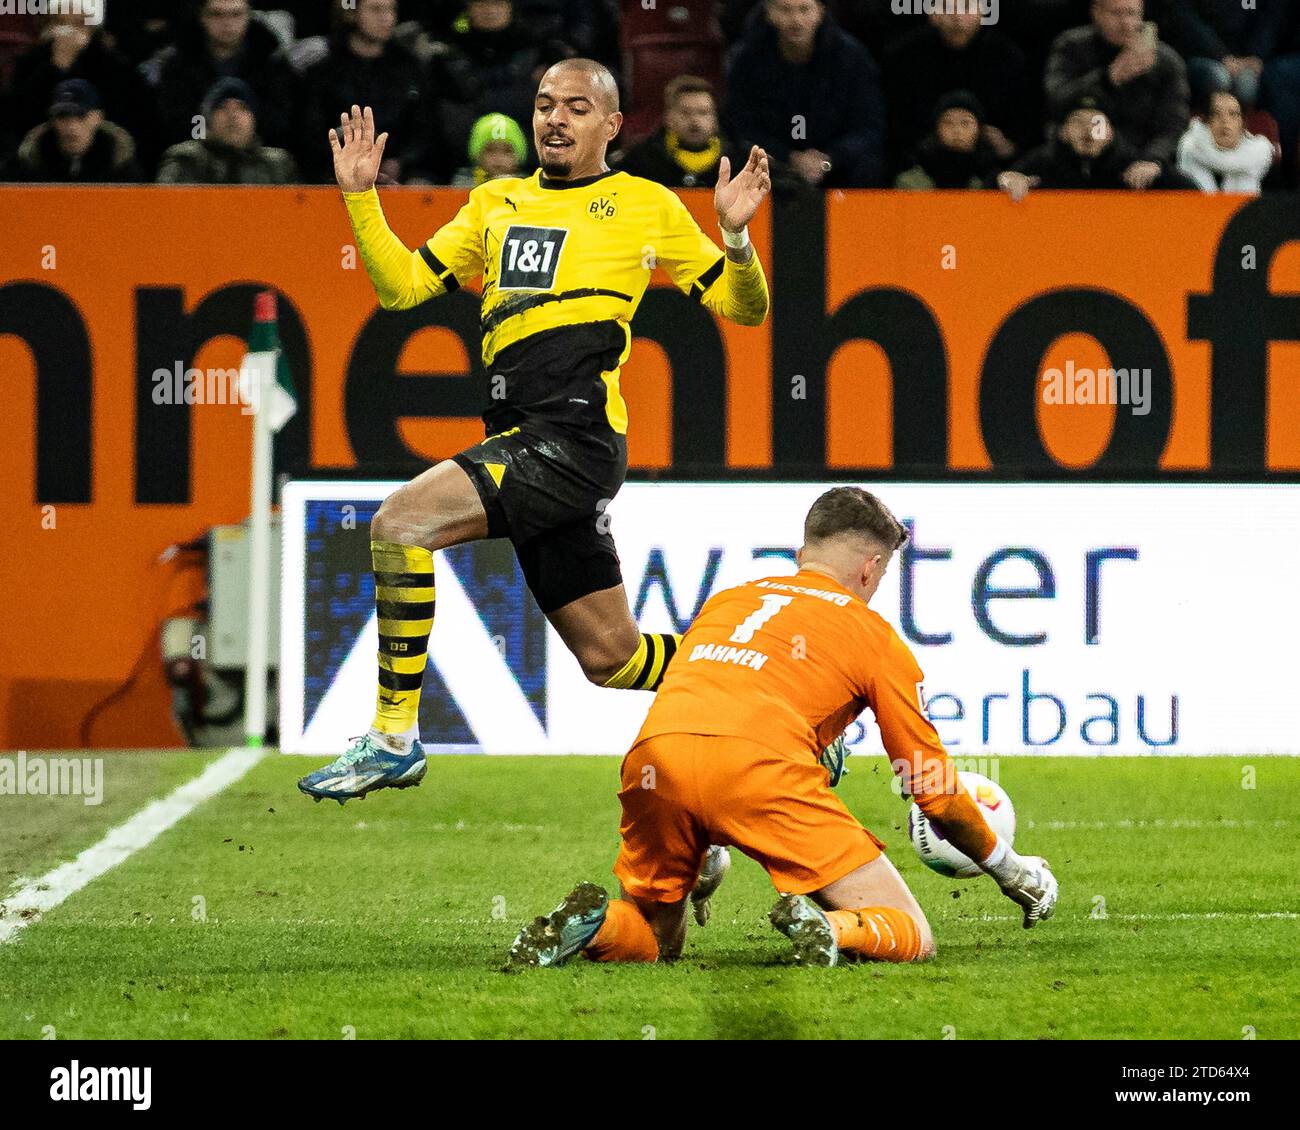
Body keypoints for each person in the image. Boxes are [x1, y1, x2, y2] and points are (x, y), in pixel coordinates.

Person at [297, 60, 771, 804]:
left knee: (400, 523)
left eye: (577, 108)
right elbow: (402, 288)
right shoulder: (495, 202)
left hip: (573, 438)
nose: (555, 119)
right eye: (546, 104)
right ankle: (782, 694)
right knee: (613, 657)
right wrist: (361, 199)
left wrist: (736, 240)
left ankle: (394, 738)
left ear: (612, 125)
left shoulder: (645, 206)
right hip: (525, 440)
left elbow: (746, 310)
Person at [508, 487, 1059, 968]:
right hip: (759, 768)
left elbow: (714, 721)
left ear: (803, 555)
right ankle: (831, 927)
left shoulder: (728, 602)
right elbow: (932, 789)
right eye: (881, 574)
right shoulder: (874, 637)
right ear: (870, 568)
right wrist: (1014, 873)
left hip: (654, 759)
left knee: (654, 938)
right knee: (909, 931)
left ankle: (597, 926)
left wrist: (701, 849)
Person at [723, 0, 885, 188]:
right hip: (772, 161)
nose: (796, 20)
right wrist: (789, 157)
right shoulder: (747, 58)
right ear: (769, 12)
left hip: (837, 162)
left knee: (868, 166)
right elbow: (740, 124)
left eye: (804, 9)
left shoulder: (851, 57)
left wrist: (829, 158)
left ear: (820, 11)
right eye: (785, 10)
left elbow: (868, 124)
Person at [299, 0, 439, 185]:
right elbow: (310, 133)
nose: (387, 18)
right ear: (351, 14)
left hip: (400, 176)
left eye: (391, 10)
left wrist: (401, 162)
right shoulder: (323, 72)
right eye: (376, 9)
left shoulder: (411, 70)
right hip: (334, 173)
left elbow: (425, 130)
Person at [1043, 0, 1189, 167]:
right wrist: (1108, 79)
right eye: (1116, 13)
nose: (1125, 23)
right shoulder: (1071, 46)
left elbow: (1173, 122)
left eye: (1131, 14)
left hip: (1141, 157)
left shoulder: (1166, 61)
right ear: (1097, 13)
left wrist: (1152, 159)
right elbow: (1056, 101)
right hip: (1079, 156)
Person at [151, 0, 299, 151]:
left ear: (249, 15)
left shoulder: (272, 61)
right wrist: (208, 136)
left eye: (236, 14)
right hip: (198, 152)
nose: (227, 23)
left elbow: (279, 118)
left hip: (258, 152)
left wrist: (246, 136)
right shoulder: (178, 64)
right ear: (202, 17)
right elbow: (177, 117)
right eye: (216, 14)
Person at [998, 92, 1196, 199]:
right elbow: (995, 183)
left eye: (1097, 123)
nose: (1088, 130)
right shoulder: (1043, 162)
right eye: (1077, 122)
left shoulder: (1130, 162)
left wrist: (1158, 170)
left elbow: (1192, 192)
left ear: (1110, 132)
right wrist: (1006, 179)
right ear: (1063, 132)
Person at [156, 77, 296, 185]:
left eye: (242, 107)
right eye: (222, 107)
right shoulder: (187, 159)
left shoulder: (278, 165)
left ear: (253, 120)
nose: (232, 115)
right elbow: (167, 211)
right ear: (208, 120)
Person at [5, 79, 142, 184]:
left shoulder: (119, 161)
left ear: (97, 118)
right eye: (62, 116)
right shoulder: (31, 161)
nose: (71, 125)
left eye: (81, 116)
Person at [616, 76, 742, 189]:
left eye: (703, 112)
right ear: (669, 117)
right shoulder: (640, 160)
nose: (695, 120)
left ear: (715, 119)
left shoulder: (741, 161)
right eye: (685, 112)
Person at [894, 90, 1003, 190]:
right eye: (948, 122)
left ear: (979, 129)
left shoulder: (993, 180)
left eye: (965, 123)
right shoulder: (911, 182)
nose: (957, 130)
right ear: (937, 130)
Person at [1177, 90, 1275, 194]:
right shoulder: (1191, 147)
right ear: (1205, 122)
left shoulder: (1256, 155)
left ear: (1242, 124)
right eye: (1216, 114)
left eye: (1233, 114)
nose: (1225, 120)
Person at [451, 112, 529, 186]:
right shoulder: (464, 181)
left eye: (507, 151)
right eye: (490, 150)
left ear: (518, 157)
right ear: (477, 155)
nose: (498, 158)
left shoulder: (527, 185)